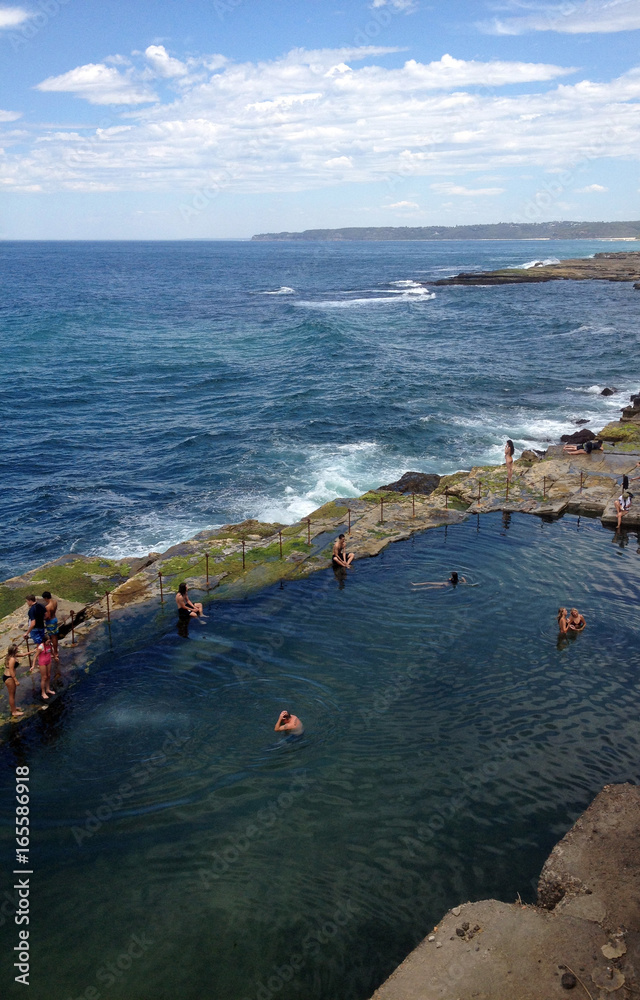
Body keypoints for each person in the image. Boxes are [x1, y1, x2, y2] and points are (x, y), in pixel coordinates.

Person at [3, 645, 24, 717]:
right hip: (9, 678)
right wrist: (16, 680)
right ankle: (14, 712)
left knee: (13, 694)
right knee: (11, 695)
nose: (18, 649)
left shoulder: (11, 655)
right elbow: (11, 671)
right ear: (14, 650)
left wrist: (33, 651)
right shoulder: (12, 659)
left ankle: (13, 708)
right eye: (17, 649)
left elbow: (23, 654)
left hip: (8, 676)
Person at [41, 591, 59, 663]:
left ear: (45, 598)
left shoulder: (47, 607)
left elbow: (48, 617)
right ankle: (56, 651)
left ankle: (55, 652)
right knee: (56, 636)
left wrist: (42, 618)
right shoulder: (55, 602)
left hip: (50, 622)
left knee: (52, 637)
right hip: (55, 619)